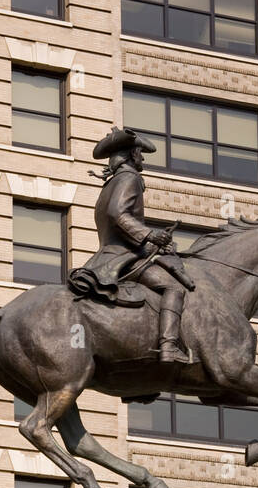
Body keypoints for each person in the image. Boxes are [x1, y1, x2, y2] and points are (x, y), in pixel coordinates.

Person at [68, 126, 195, 363]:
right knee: (174, 288)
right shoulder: (130, 178)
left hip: (112, 254)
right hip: (123, 257)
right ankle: (168, 346)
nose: (143, 157)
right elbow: (118, 214)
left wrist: (153, 245)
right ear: (130, 155)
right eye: (139, 152)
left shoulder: (111, 184)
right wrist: (150, 235)